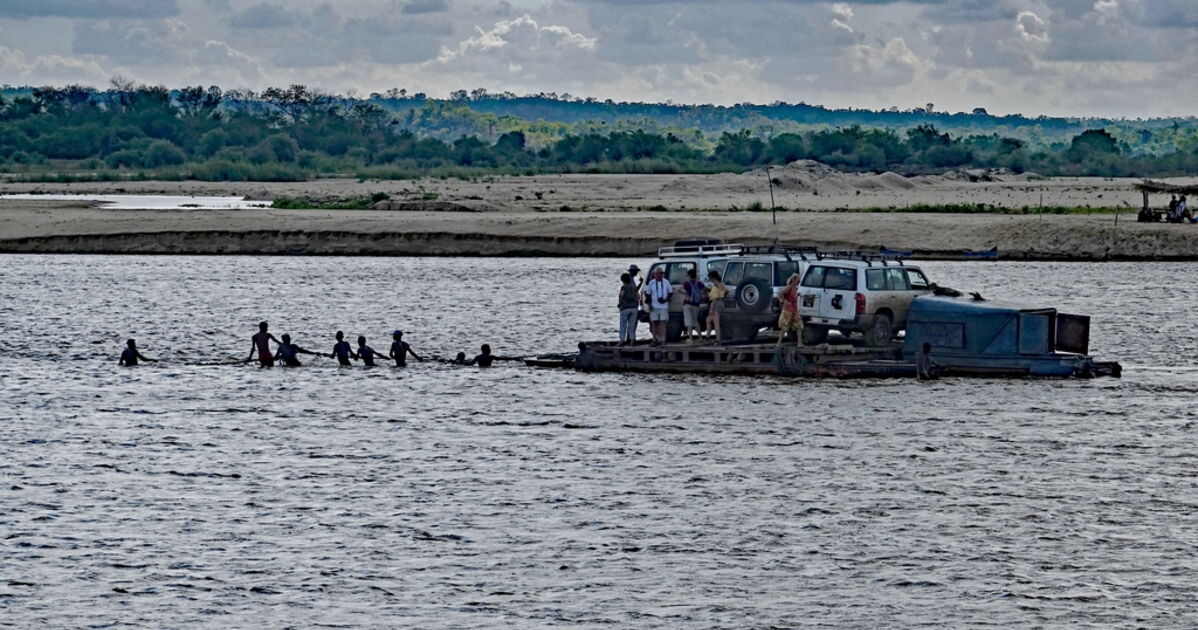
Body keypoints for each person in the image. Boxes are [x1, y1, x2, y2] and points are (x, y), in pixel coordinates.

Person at [642, 267, 674, 346]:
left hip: (664, 306)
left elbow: (670, 293)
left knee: (663, 323)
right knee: (654, 323)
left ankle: (663, 340)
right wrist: (649, 305)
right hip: (654, 306)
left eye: (660, 273)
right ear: (655, 274)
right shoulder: (651, 283)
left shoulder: (666, 282)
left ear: (662, 274)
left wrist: (665, 300)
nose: (659, 275)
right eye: (657, 273)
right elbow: (648, 295)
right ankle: (654, 340)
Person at [776, 273, 803, 347]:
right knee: (784, 327)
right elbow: (780, 293)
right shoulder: (789, 287)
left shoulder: (795, 288)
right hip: (788, 310)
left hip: (794, 310)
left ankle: (799, 343)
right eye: (797, 280)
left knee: (799, 326)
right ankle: (779, 343)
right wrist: (785, 301)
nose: (798, 281)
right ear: (794, 279)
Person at [681, 268, 706, 343]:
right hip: (696, 304)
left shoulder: (686, 283)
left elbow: (678, 289)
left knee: (689, 322)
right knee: (695, 321)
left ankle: (691, 339)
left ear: (689, 275)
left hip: (688, 304)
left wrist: (686, 294)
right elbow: (704, 290)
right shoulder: (699, 283)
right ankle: (700, 337)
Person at [618, 272, 640, 345]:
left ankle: (622, 340)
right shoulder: (634, 287)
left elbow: (621, 296)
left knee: (623, 325)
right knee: (632, 325)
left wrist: (620, 303)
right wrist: (636, 304)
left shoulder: (623, 287)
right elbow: (638, 296)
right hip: (634, 308)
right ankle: (632, 340)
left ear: (623, 280)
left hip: (625, 308)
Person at [705, 269, 727, 341]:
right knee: (708, 320)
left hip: (716, 304)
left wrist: (711, 308)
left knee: (716, 322)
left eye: (710, 278)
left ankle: (718, 340)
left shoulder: (715, 286)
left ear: (713, 278)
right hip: (721, 303)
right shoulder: (721, 284)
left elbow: (714, 298)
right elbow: (727, 291)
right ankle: (707, 337)